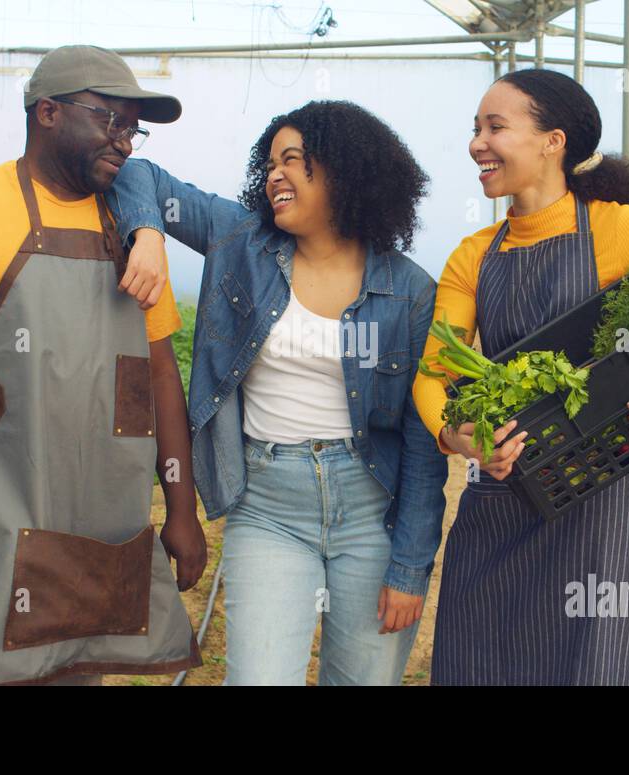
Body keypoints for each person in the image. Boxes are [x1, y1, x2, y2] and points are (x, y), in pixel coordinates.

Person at [0, 45, 205, 685]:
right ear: (48, 113)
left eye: (132, 128)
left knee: (77, 665)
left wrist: (183, 509)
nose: (126, 142)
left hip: (100, 513)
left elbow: (161, 377)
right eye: (110, 120)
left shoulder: (137, 234)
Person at [413, 68, 629, 685]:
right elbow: (435, 372)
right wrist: (456, 434)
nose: (476, 143)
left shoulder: (620, 228)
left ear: (552, 141)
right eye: (475, 129)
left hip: (606, 503)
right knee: (475, 662)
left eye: (495, 127)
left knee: (593, 668)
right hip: (502, 490)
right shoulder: (473, 254)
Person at [109, 100, 448, 685]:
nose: (274, 175)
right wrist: (148, 233)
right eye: (268, 163)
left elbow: (421, 444)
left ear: (346, 171)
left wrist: (411, 569)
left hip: (371, 511)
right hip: (268, 506)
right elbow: (139, 174)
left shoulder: (409, 290)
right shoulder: (241, 241)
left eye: (294, 160)